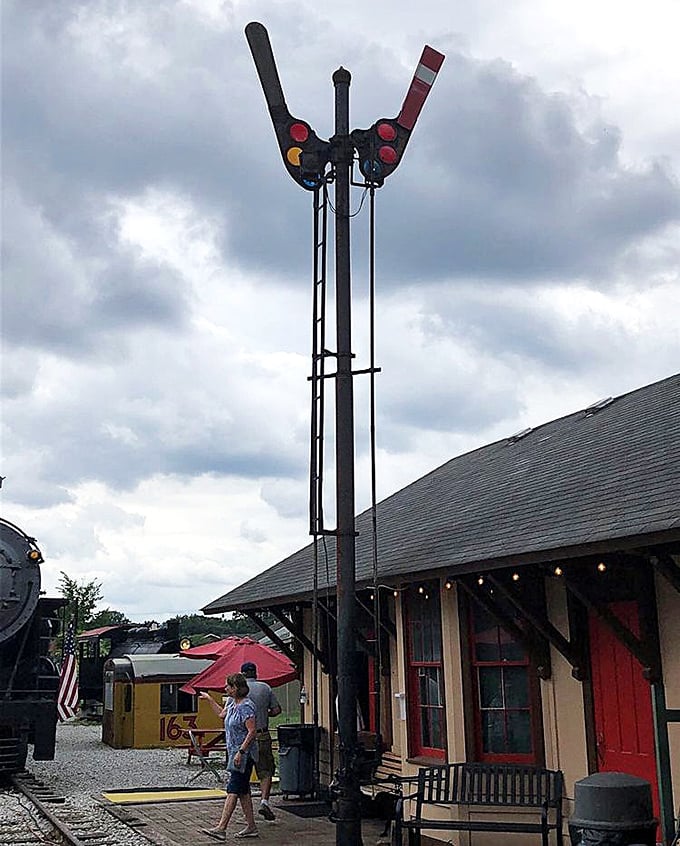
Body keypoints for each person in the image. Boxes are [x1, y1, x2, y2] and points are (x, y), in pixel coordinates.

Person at [200, 673, 259, 840]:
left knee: (233, 788)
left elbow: (252, 731)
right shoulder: (232, 703)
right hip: (233, 750)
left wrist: (241, 751)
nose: (225, 688)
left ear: (235, 688)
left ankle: (222, 826)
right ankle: (251, 826)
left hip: (243, 753)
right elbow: (222, 715)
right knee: (243, 791)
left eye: (228, 686)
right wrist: (210, 699)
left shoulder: (246, 706)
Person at [239, 661, 282, 821]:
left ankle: (247, 812)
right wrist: (265, 713)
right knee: (265, 771)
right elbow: (277, 710)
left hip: (243, 737)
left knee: (243, 773)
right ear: (255, 673)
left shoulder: (240, 690)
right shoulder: (265, 688)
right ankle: (264, 801)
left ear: (242, 674)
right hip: (262, 735)